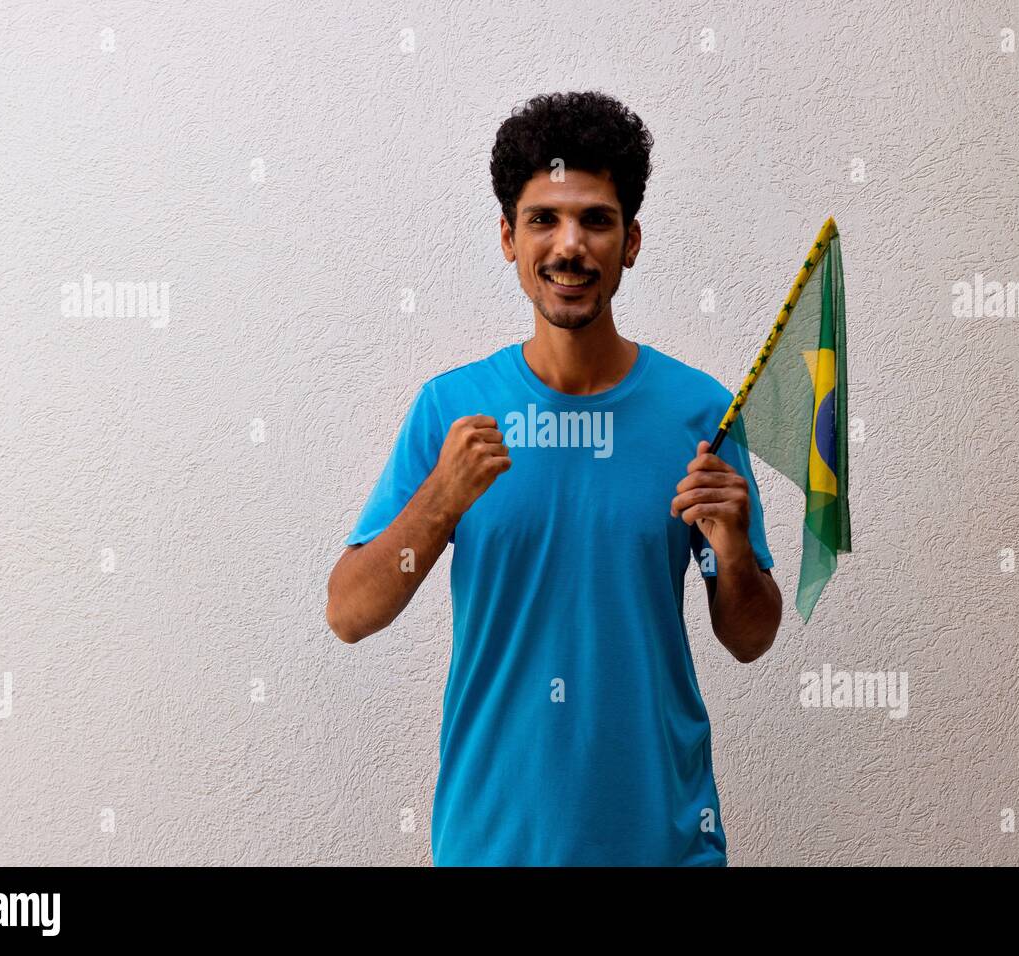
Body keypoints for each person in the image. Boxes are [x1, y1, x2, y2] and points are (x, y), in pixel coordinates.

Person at [326, 90, 783, 866]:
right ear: (509, 237)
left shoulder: (701, 415)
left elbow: (750, 636)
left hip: (664, 845)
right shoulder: (451, 409)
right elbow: (349, 612)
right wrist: (439, 502)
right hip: (493, 845)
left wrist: (733, 551)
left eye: (595, 220)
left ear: (630, 241)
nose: (569, 245)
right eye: (544, 218)